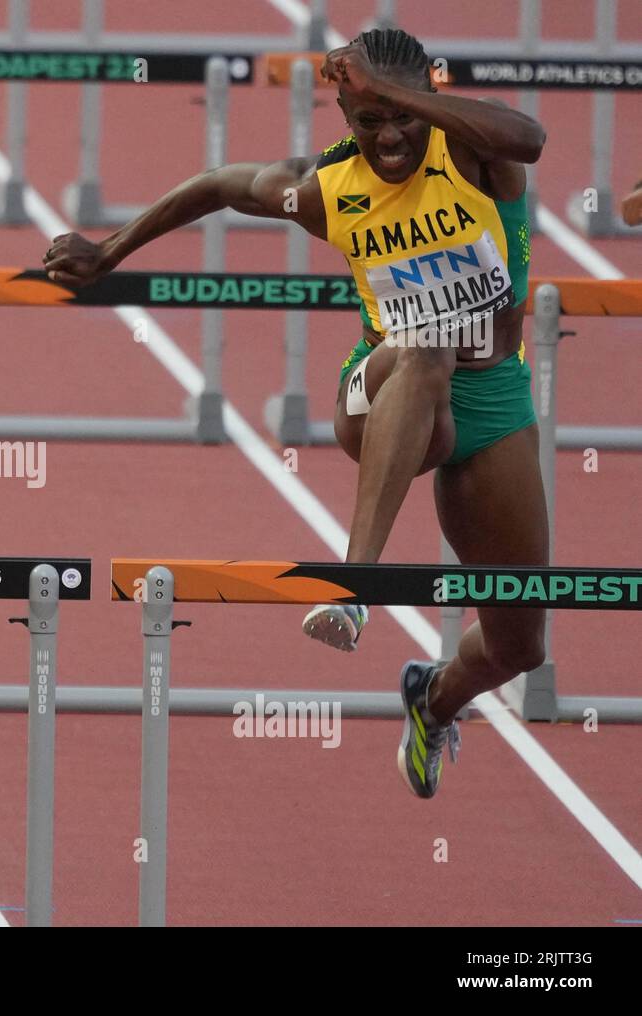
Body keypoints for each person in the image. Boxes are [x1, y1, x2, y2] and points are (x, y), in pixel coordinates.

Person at [43, 29, 548, 800]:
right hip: (380, 389)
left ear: (430, 101)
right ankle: (353, 585)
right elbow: (216, 184)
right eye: (364, 119)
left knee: (520, 646)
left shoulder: (476, 155)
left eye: (401, 118)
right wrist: (109, 252)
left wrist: (404, 96)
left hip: (492, 402)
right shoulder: (325, 189)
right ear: (342, 112)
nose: (386, 138)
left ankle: (432, 698)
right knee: (425, 349)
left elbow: (533, 138)